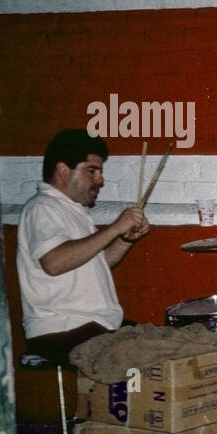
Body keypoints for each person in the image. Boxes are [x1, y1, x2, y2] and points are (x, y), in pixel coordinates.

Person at [17, 128, 150, 362]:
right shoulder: (43, 207)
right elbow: (54, 262)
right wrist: (114, 228)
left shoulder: (74, 210)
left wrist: (125, 238)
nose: (100, 180)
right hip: (62, 330)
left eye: (100, 171)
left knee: (160, 341)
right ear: (62, 170)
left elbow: (98, 263)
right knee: (158, 354)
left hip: (88, 327)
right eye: (92, 171)